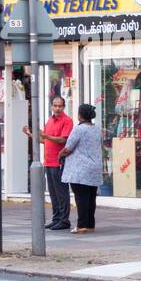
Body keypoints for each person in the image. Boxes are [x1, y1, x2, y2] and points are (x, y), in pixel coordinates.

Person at [22, 95, 73, 230]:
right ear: (51, 106)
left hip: (59, 162)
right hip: (49, 162)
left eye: (59, 106)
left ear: (64, 107)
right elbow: (46, 140)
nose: (57, 108)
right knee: (53, 193)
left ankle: (64, 220)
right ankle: (56, 218)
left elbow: (63, 140)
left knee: (61, 193)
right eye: (55, 106)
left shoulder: (67, 121)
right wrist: (31, 135)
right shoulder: (50, 120)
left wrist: (46, 136)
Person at [59, 104, 105, 233]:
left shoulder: (78, 130)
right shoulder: (97, 129)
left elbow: (68, 148)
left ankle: (81, 225)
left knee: (81, 198)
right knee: (91, 198)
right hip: (94, 168)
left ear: (80, 116)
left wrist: (60, 154)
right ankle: (90, 225)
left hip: (80, 170)